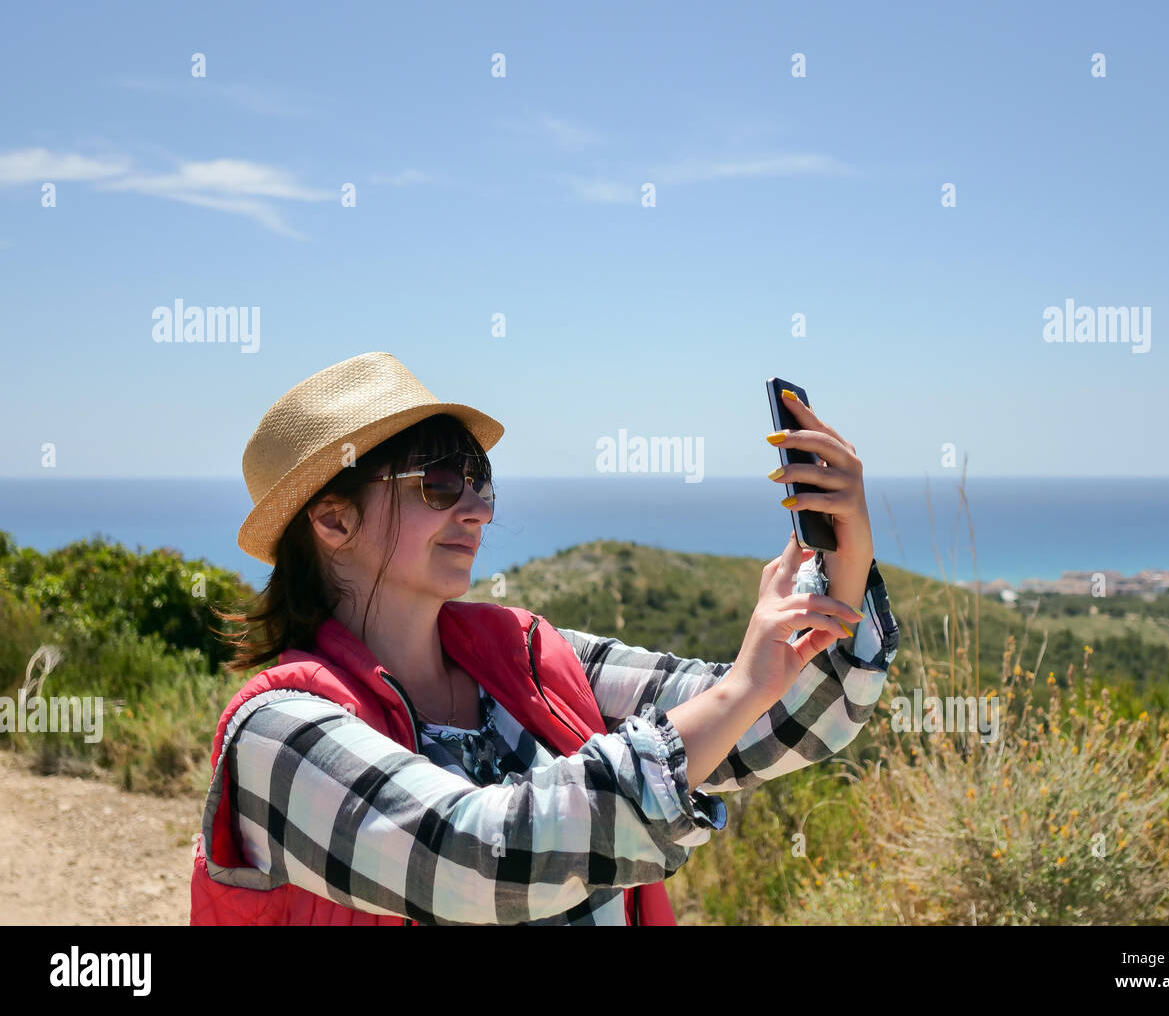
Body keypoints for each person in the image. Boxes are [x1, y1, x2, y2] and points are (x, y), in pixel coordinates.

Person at [191, 351, 898, 926]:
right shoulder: (278, 734)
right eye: (438, 483)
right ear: (333, 520)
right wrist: (742, 688)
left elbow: (788, 717)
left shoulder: (531, 661)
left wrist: (845, 560)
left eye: (479, 480)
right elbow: (475, 861)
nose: (475, 509)